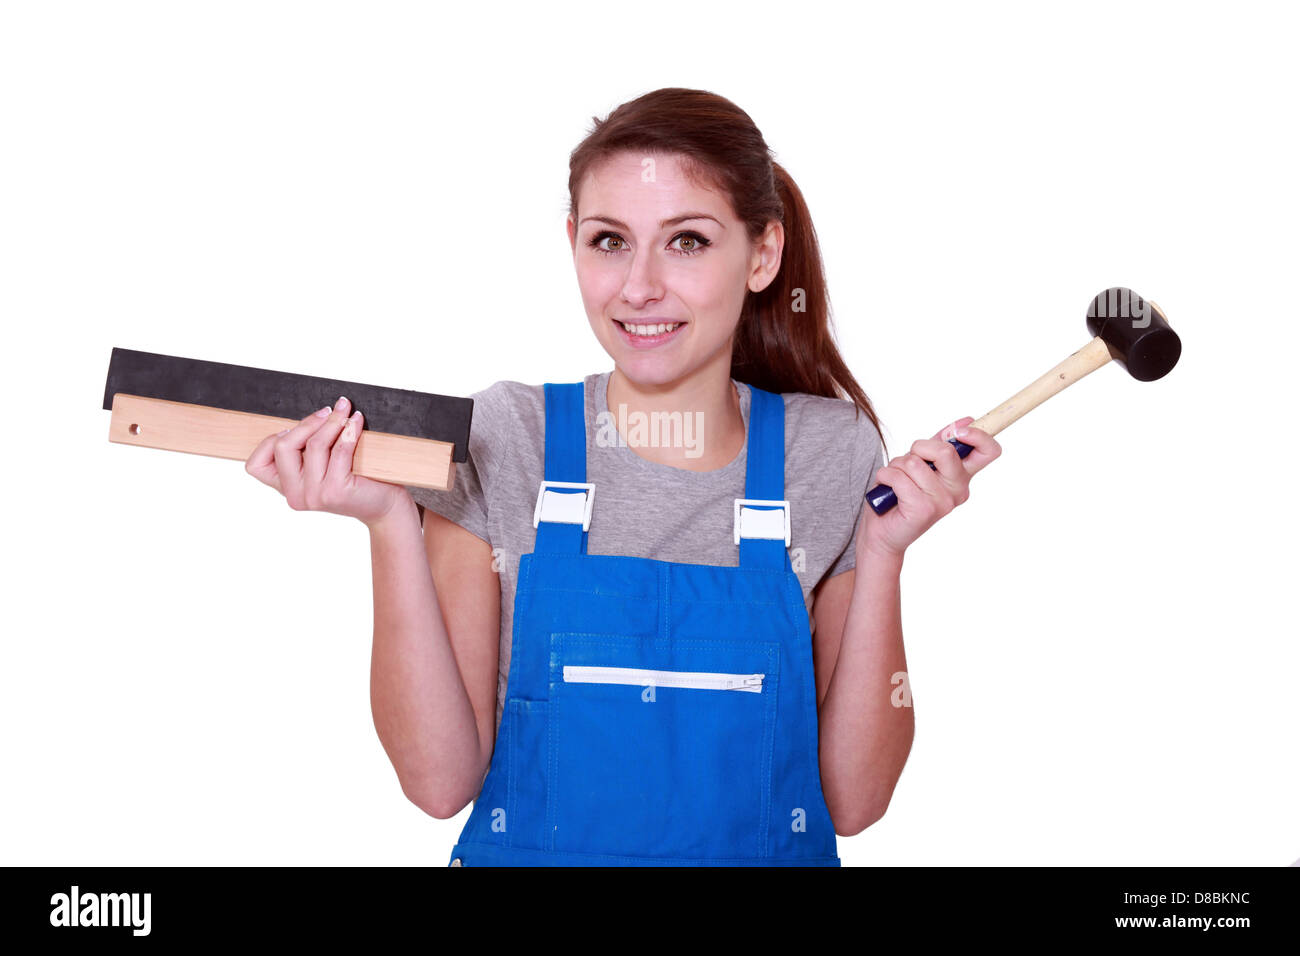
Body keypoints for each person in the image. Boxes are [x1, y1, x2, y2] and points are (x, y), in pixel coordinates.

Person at [244, 87, 1001, 866]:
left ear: (763, 255)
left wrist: (883, 556)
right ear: (571, 240)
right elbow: (438, 784)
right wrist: (389, 525)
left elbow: (855, 801)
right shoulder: (510, 438)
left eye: (688, 242)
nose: (638, 286)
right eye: (609, 241)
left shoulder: (829, 453)